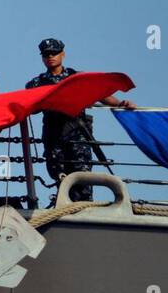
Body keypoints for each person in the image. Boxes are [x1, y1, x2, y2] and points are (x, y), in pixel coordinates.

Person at [26, 38, 135, 203]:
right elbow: (29, 106)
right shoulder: (36, 83)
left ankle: (84, 209)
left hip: (77, 137)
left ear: (63, 54)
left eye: (54, 53)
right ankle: (65, 210)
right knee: (61, 181)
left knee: (83, 180)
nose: (50, 56)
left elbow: (100, 94)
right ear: (42, 58)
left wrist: (120, 104)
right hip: (54, 138)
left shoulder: (75, 78)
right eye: (46, 54)